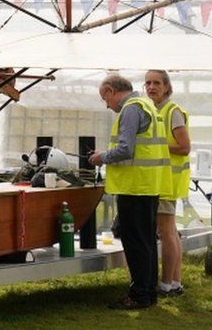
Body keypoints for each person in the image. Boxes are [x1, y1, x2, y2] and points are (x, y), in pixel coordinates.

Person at [89, 73, 171, 309]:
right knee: (146, 242)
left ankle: (138, 295)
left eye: (105, 98)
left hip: (135, 187)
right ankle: (148, 292)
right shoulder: (147, 105)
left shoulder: (131, 109)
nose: (106, 104)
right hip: (147, 185)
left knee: (135, 243)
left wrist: (101, 157)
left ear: (111, 91)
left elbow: (126, 149)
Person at [145, 69, 191, 297]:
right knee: (171, 232)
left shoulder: (172, 112)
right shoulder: (156, 110)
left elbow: (184, 147)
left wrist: (156, 146)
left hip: (167, 182)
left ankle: (164, 284)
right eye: (147, 83)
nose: (151, 87)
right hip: (163, 181)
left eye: (156, 83)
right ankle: (175, 282)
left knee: (166, 234)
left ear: (166, 86)